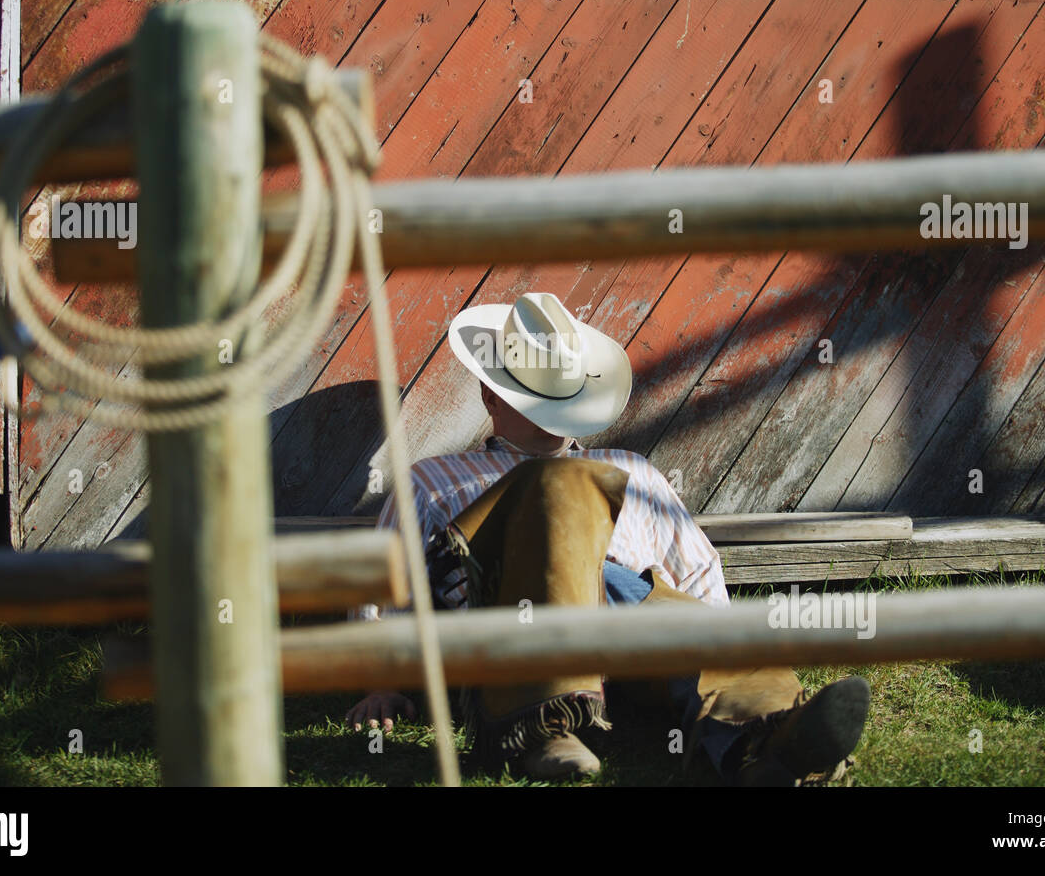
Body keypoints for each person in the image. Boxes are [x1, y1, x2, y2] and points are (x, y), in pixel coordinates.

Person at [347, 292, 869, 785]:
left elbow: (698, 578)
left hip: (639, 644)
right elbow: (383, 585)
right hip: (509, 650)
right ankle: (543, 724)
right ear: (489, 394)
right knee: (555, 487)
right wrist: (381, 684)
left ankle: (770, 739)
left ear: (492, 390)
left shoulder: (632, 471)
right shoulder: (431, 480)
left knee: (659, 604)